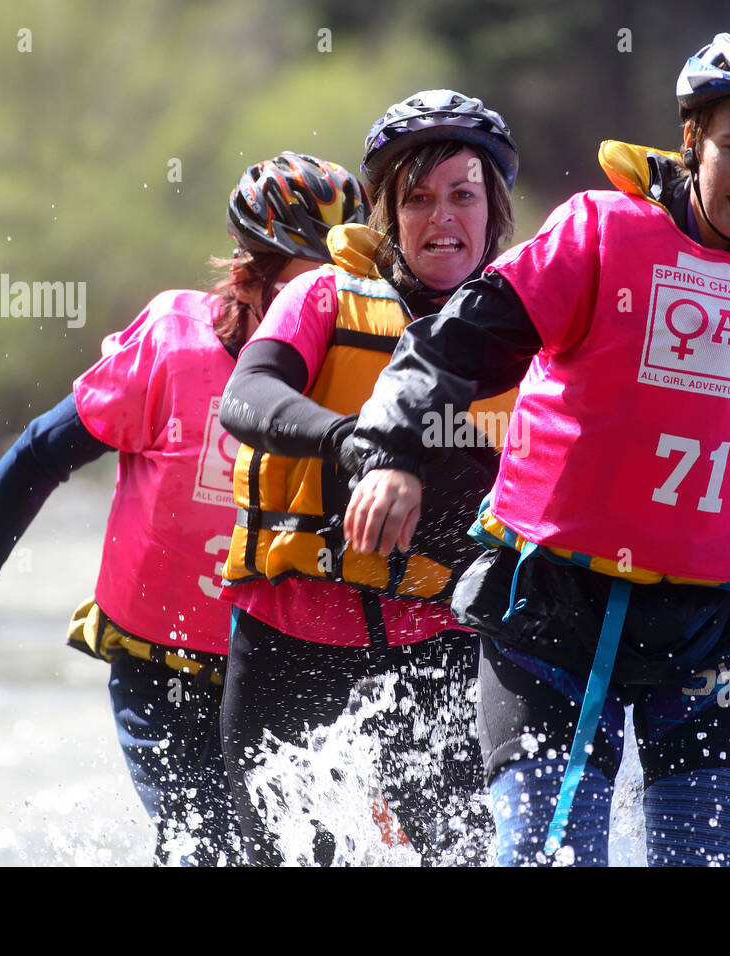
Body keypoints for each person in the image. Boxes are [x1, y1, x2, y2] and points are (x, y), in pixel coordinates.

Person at [342, 27, 730, 867]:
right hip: (555, 611)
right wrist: (390, 452)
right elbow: (449, 347)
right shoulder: (597, 233)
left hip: (725, 630)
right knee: (545, 858)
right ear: (690, 140)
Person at [0, 152, 369, 865]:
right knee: (204, 853)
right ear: (254, 273)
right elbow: (37, 456)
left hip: (286, 666)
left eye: (350, 282)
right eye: (315, 282)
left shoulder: (369, 366)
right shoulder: (171, 346)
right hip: (163, 666)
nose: (333, 304)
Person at [216, 90, 520, 866]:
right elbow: (246, 397)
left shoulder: (534, 333)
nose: (442, 218)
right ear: (386, 214)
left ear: (494, 210)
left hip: (439, 642)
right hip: (291, 637)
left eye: (463, 194)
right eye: (417, 199)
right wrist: (356, 443)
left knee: (466, 853)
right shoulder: (326, 295)